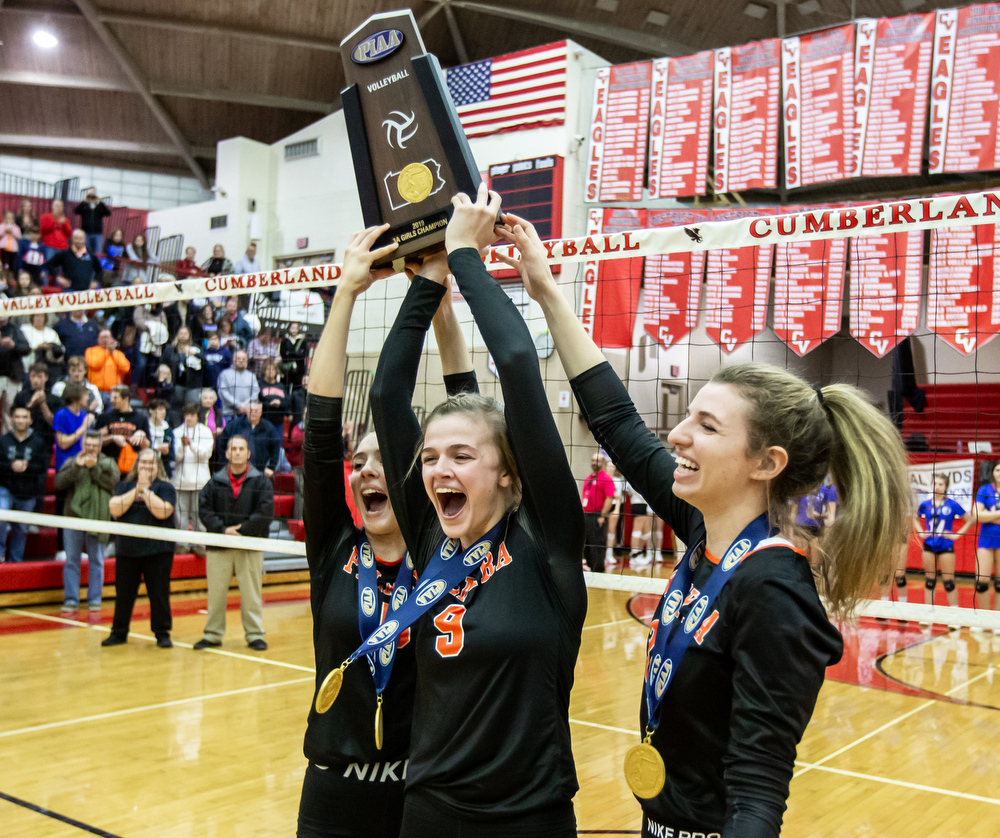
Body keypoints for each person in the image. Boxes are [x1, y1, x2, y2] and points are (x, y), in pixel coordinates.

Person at [498, 205, 913, 838]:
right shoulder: (706, 530)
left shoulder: (773, 589)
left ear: (766, 463)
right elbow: (615, 419)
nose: (679, 434)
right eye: (689, 416)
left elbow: (756, 791)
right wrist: (547, 289)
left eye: (708, 426)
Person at [369, 190, 586, 837]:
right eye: (430, 457)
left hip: (530, 817)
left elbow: (518, 363)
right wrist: (426, 276)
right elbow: (385, 394)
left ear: (508, 473)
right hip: (430, 812)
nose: (438, 470)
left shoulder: (546, 542)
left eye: (461, 455)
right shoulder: (431, 537)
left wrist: (465, 255)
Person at [297, 224, 476, 838]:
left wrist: (444, 303)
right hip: (330, 796)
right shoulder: (335, 550)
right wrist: (345, 294)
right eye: (360, 463)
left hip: (420, 797)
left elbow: (470, 412)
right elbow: (321, 433)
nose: (367, 470)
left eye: (384, 460)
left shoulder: (442, 556)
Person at [195, 434, 274, 650]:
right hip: (219, 545)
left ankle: (254, 634)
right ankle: (212, 634)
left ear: (248, 454)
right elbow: (204, 509)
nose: (237, 452)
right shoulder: (214, 481)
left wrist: (242, 531)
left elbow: (266, 511)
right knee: (216, 594)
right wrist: (223, 530)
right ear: (227, 453)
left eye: (241, 449)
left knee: (251, 594)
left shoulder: (261, 481)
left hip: (249, 545)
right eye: (233, 448)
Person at [104, 449, 176, 648]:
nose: (146, 467)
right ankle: (118, 633)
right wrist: (136, 489)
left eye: (151, 463)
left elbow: (162, 511)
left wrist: (145, 491)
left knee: (159, 594)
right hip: (128, 549)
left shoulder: (166, 487)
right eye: (143, 463)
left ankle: (162, 633)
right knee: (124, 594)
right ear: (137, 465)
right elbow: (115, 509)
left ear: (157, 467)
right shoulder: (125, 485)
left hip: (159, 550)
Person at [55, 430, 119, 612]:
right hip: (73, 518)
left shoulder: (108, 463)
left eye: (94, 445)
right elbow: (59, 483)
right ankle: (71, 600)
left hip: (98, 519)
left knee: (97, 560)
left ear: (100, 447)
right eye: (87, 445)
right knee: (71, 560)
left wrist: (94, 468)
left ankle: (94, 600)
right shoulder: (72, 461)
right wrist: (76, 467)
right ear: (83, 445)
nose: (90, 448)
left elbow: (112, 483)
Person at [0, 405, 50, 563]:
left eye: (24, 417)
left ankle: (15, 562)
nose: (20, 420)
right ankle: (0, 555)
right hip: (5, 488)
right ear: (12, 419)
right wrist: (11, 466)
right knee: (1, 520)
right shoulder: (4, 440)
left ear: (30, 420)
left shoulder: (38, 442)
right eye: (17, 417)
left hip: (28, 491)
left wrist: (27, 466)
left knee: (21, 529)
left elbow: (43, 467)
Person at [916, 474, 973, 608]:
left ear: (946, 487)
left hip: (946, 545)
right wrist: (920, 531)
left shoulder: (952, 504)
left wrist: (956, 535)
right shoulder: (925, 504)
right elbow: (914, 517)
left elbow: (970, 520)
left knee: (949, 582)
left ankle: (954, 615)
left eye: (941, 484)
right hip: (929, 544)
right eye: (935, 484)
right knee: (930, 581)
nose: (937, 487)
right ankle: (928, 614)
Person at [173, 402, 213, 557]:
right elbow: (176, 457)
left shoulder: (206, 432)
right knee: (181, 515)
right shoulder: (177, 432)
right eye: (186, 415)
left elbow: (205, 454)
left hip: (200, 481)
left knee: (199, 514)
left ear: (198, 416)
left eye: (192, 415)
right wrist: (183, 447)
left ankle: (200, 543)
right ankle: (182, 543)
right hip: (181, 480)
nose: (189, 418)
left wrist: (191, 445)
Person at [93, 385, 150, 475]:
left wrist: (142, 434)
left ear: (126, 399)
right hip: (106, 467)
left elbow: (147, 447)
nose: (111, 400)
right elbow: (94, 443)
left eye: (115, 398)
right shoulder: (104, 417)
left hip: (131, 468)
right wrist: (112, 438)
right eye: (111, 397)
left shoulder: (141, 419)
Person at [220, 401, 280, 479]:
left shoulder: (269, 428)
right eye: (251, 410)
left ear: (261, 412)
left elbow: (276, 447)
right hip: (235, 471)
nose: (253, 413)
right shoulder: (234, 425)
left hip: (259, 473)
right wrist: (224, 464)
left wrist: (271, 467)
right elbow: (221, 444)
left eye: (256, 411)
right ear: (246, 411)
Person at [13, 363, 60, 452]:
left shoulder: (55, 399)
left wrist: (43, 403)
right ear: (29, 377)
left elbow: (54, 423)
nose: (36, 380)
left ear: (46, 378)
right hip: (23, 440)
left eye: (40, 377)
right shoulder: (21, 396)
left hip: (47, 442)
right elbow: (15, 420)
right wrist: (31, 403)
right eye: (33, 376)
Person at [581, 450, 615, 573]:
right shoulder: (588, 478)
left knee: (597, 544)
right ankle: (590, 567)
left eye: (597, 460)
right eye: (593, 460)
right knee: (587, 544)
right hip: (586, 515)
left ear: (602, 463)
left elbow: (610, 497)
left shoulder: (606, 478)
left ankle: (598, 569)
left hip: (597, 516)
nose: (594, 463)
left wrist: (602, 515)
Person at [974, 461, 1000, 615]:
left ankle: (997, 619)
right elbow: (977, 515)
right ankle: (983, 617)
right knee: (981, 583)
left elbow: (983, 515)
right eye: (998, 469)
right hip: (986, 539)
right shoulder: (985, 490)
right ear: (993, 472)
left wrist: (988, 516)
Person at [161, 326, 203, 419]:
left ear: (189, 335)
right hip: (176, 384)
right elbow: (163, 363)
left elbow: (205, 361)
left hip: (193, 384)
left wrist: (194, 353)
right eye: (181, 333)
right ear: (177, 335)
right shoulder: (170, 349)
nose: (183, 336)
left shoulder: (195, 348)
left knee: (191, 408)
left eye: (185, 333)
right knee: (176, 409)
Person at [0, 315, 31, 432]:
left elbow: (26, 349)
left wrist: (13, 346)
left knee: (9, 410)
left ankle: (7, 442)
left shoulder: (14, 329)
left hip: (12, 377)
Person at [85, 329, 130, 400]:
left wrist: (113, 353)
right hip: (95, 391)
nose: (105, 340)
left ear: (112, 339)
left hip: (113, 392)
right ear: (98, 339)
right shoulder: (90, 351)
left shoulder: (118, 354)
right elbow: (94, 364)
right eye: (102, 337)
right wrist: (108, 352)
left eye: (107, 337)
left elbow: (125, 368)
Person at [217, 349, 259, 419]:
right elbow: (223, 392)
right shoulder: (224, 374)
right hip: (229, 414)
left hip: (247, 413)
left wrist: (245, 405)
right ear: (233, 360)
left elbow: (256, 392)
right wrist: (238, 405)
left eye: (243, 359)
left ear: (247, 361)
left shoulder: (252, 376)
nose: (241, 360)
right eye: (238, 358)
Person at [74, 188, 111, 255]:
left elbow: (107, 213)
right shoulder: (84, 205)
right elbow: (76, 211)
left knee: (97, 253)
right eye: (90, 194)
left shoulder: (99, 206)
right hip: (86, 233)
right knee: (86, 251)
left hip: (97, 233)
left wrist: (101, 203)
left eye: (93, 194)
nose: (91, 197)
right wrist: (84, 202)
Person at [147, 399, 174, 479]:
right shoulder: (145, 427)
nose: (163, 412)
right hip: (147, 467)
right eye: (160, 409)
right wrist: (156, 449)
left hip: (163, 471)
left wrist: (167, 452)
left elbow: (172, 455)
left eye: (165, 409)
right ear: (151, 410)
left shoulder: (168, 430)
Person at [258, 359, 289, 430]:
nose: (271, 371)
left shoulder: (281, 386)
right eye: (268, 369)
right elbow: (257, 402)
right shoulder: (259, 385)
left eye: (273, 369)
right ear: (264, 370)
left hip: (278, 423)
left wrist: (280, 403)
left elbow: (287, 403)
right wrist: (269, 404)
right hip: (263, 422)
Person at [280, 321, 309, 389]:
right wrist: (296, 354)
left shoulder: (303, 341)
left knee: (297, 388)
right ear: (289, 328)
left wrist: (290, 353)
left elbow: (304, 354)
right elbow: (283, 354)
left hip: (299, 369)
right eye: (292, 328)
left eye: (296, 328)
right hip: (287, 369)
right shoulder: (285, 340)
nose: (294, 330)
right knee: (285, 387)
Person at [1, 211, 22, 275]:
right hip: (3, 248)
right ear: (4, 219)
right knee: (4, 263)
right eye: (7, 218)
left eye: (11, 218)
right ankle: (3, 274)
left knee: (12, 264)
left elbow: (19, 236)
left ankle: (11, 276)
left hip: (13, 249)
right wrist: (4, 231)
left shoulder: (15, 227)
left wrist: (12, 231)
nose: (9, 220)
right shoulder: (2, 226)